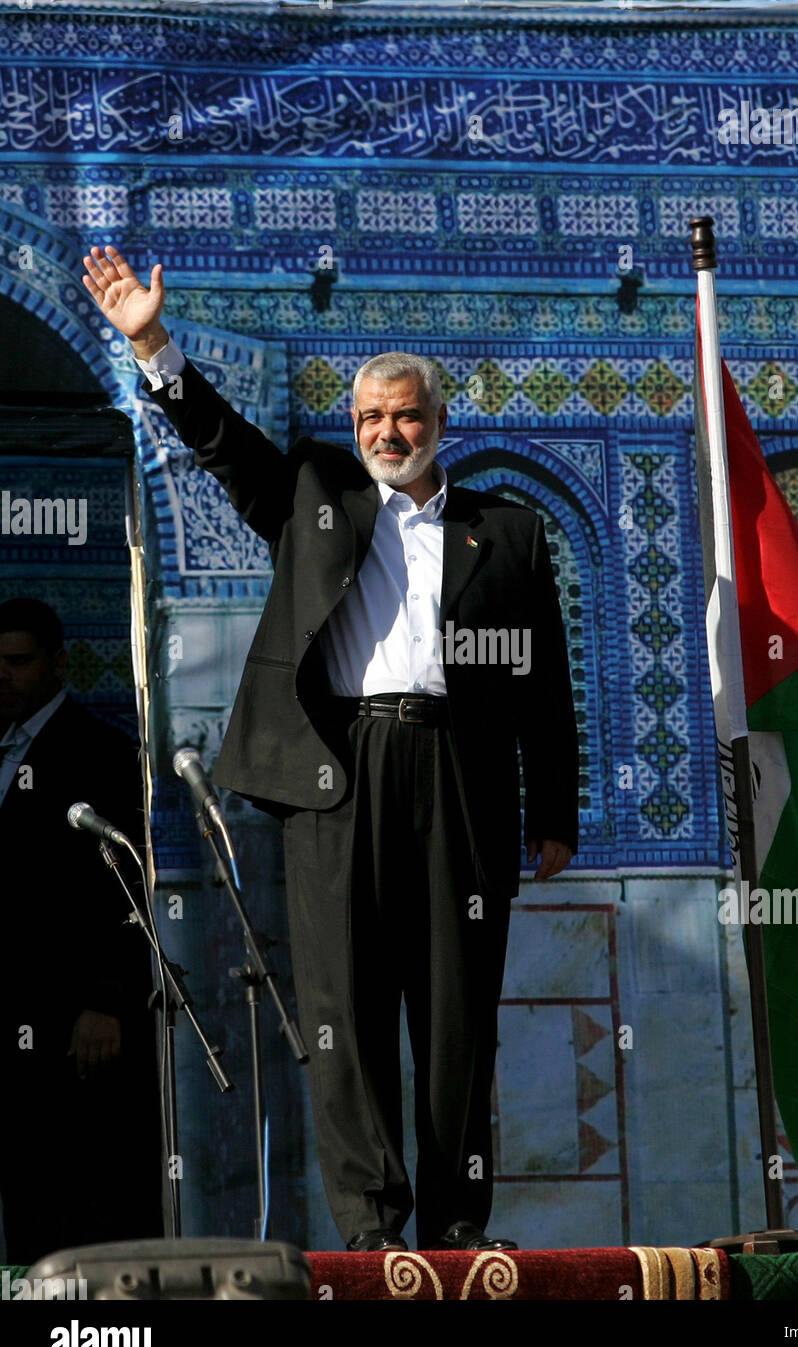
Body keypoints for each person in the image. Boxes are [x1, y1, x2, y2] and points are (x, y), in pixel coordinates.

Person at [82, 244, 579, 1253]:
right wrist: (154, 345)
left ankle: (454, 1223)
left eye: (403, 416)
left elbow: (542, 688)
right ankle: (371, 1230)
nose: (385, 432)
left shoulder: (509, 533)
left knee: (454, 1017)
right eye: (368, 419)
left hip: (457, 780)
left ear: (438, 425)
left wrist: (555, 810)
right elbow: (224, 444)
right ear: (353, 433)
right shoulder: (312, 496)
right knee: (341, 1013)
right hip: (337, 775)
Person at [0, 597, 163, 1266]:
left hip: (76, 1024)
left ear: (58, 663)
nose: (2, 676)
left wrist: (105, 997)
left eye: (18, 662)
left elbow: (126, 887)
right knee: (28, 1204)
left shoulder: (99, 751)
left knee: (91, 1205)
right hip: (13, 1024)